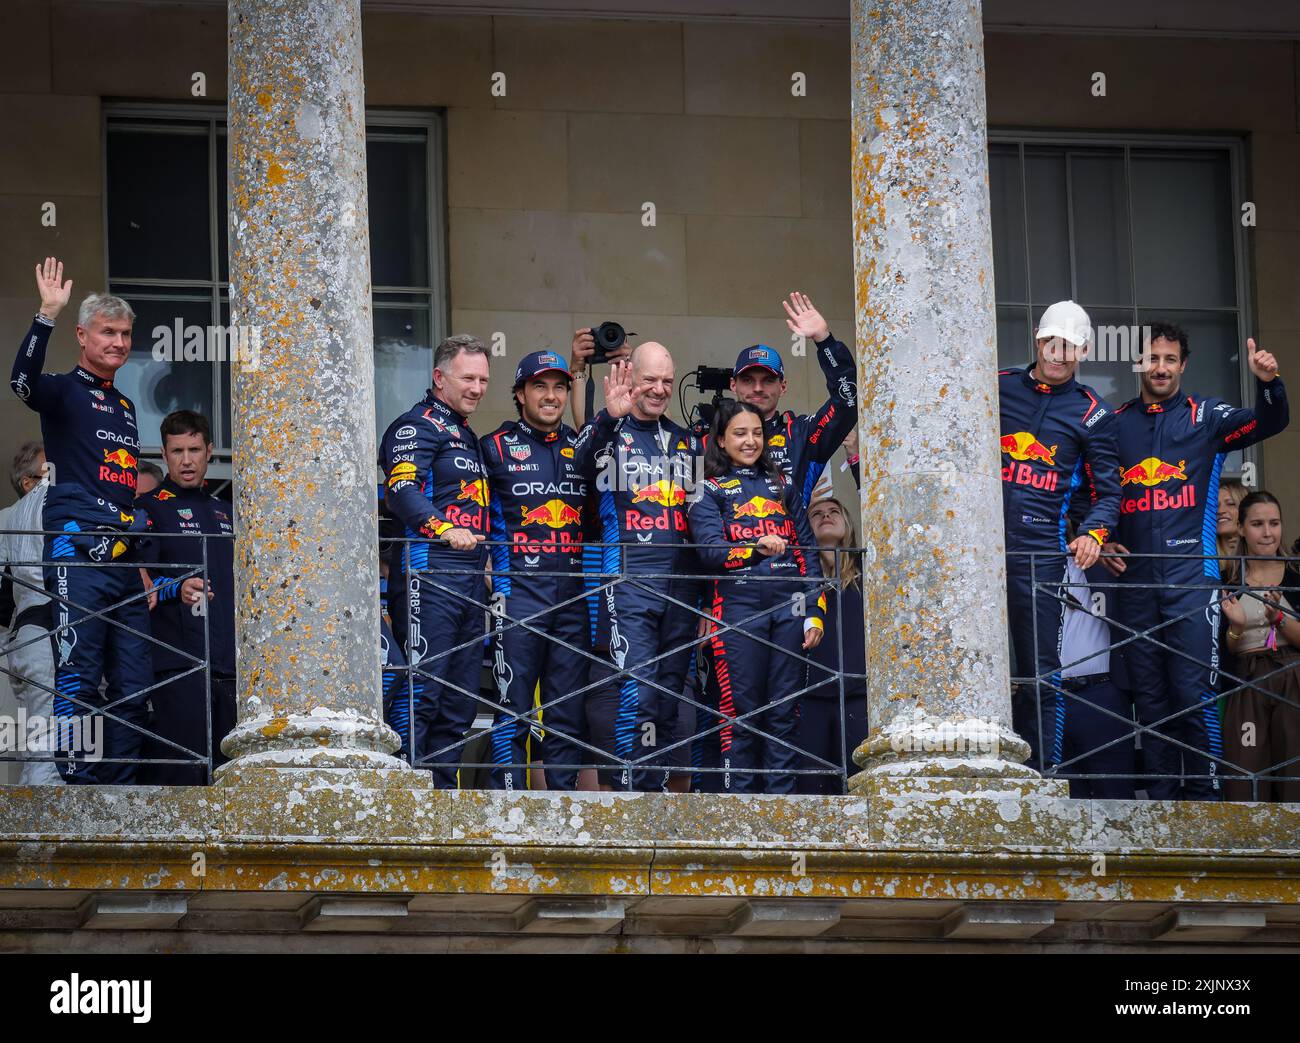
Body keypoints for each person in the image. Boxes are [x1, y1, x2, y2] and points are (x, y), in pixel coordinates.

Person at [1102, 324, 1288, 800]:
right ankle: (1163, 802)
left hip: (1192, 580)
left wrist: (1269, 385)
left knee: (1192, 693)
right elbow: (1095, 493)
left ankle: (1207, 800)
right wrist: (1101, 539)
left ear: (1182, 365)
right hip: (1136, 584)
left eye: (1170, 359)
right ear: (1139, 364)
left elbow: (1268, 425)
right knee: (1150, 698)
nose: (1160, 367)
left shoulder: (1206, 415)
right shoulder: (1115, 422)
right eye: (1152, 359)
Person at [10, 257, 153, 784]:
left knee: (136, 687)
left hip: (122, 560)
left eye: (124, 333)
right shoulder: (64, 391)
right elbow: (21, 383)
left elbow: (122, 492)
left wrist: (137, 561)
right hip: (77, 551)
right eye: (106, 332)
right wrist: (45, 313)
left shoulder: (127, 406)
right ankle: (76, 787)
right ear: (82, 336)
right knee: (80, 674)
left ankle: (118, 792)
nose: (117, 342)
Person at [999, 300, 1121, 773]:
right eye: (1052, 342)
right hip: (977, 547)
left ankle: (1039, 779)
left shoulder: (1093, 413)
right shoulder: (997, 386)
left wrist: (1093, 531)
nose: (1058, 354)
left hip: (1040, 555)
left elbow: (1109, 491)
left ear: (1084, 350)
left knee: (1041, 673)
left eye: (1069, 347)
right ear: (1037, 338)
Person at [573, 347, 702, 791]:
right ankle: (631, 788)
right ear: (632, 379)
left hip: (683, 585)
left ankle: (657, 786)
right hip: (628, 578)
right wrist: (607, 418)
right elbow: (580, 466)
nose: (660, 389)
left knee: (670, 691)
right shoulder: (610, 430)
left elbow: (703, 514)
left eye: (668, 381)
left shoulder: (689, 442)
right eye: (651, 380)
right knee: (638, 687)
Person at [687, 401, 824, 793]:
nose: (750, 442)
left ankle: (781, 808)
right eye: (740, 434)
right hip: (735, 609)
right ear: (720, 440)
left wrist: (815, 610)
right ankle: (740, 810)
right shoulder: (706, 488)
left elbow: (807, 552)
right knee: (739, 714)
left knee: (784, 713)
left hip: (790, 609)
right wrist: (753, 549)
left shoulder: (783, 484)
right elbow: (710, 552)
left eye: (757, 434)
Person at [381, 334, 490, 787]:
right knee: (423, 688)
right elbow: (401, 491)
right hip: (430, 571)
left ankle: (441, 797)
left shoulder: (466, 434)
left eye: (485, 379)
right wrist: (444, 529)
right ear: (439, 377)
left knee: (460, 700)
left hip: (467, 580)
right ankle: (405, 796)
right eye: (468, 377)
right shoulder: (415, 426)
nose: (478, 388)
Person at [480, 351, 590, 791]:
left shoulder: (582, 448)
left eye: (559, 387)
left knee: (566, 711)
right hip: (518, 594)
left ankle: (562, 811)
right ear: (520, 394)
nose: (550, 396)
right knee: (514, 707)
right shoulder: (492, 445)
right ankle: (507, 807)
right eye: (540, 387)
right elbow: (473, 512)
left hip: (573, 598)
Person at [135, 411, 235, 785]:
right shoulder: (148, 508)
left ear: (209, 451)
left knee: (230, 777)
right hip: (178, 664)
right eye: (177, 451)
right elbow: (137, 582)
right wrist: (176, 586)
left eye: (194, 449)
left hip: (231, 665)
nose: (187, 460)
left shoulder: (226, 511)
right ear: (164, 454)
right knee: (184, 775)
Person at [731, 292, 857, 508]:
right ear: (733, 385)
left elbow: (847, 401)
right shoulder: (712, 436)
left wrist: (824, 341)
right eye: (748, 380)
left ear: (783, 386)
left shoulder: (801, 435)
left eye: (768, 380)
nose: (758, 388)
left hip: (789, 540)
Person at [1220, 491, 1300, 802]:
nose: (1267, 532)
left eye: (1274, 523)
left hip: (1292, 676)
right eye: (1257, 524)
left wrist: (1280, 618)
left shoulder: (1296, 575)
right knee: (1245, 775)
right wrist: (1237, 628)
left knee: (1294, 773)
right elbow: (1224, 648)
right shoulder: (1227, 577)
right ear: (1240, 528)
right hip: (1247, 679)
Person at [1, 442, 63, 785]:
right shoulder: (15, 516)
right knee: (45, 745)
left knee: (40, 740)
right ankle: (42, 824)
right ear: (29, 483)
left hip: (24, 637)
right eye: (50, 472)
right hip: (38, 633)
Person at [1054, 556, 1138, 799]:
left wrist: (1097, 543)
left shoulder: (1103, 562)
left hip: (1101, 692)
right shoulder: (1033, 564)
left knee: (1114, 795)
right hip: (1049, 697)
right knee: (1061, 798)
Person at [799, 496, 867, 794]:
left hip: (858, 693)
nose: (826, 516)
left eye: (833, 511)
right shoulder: (800, 579)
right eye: (816, 514)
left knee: (859, 782)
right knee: (812, 786)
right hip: (810, 694)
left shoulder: (869, 571)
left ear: (847, 521)